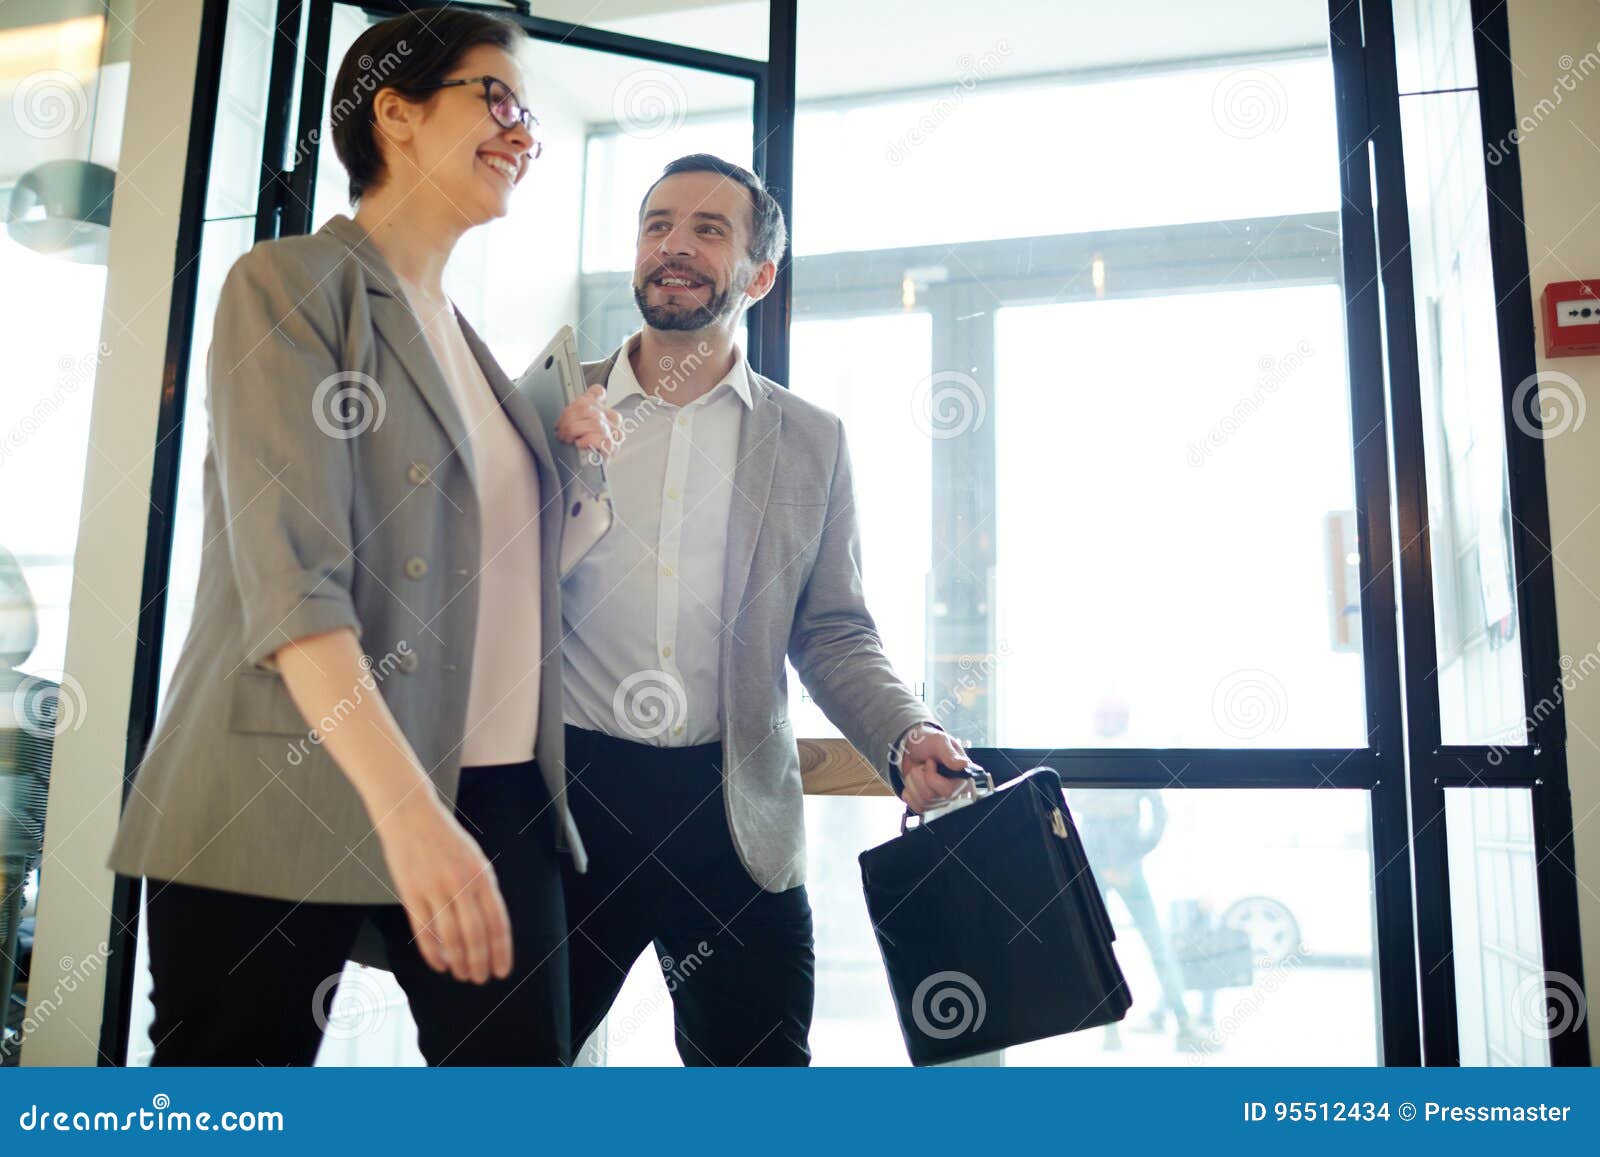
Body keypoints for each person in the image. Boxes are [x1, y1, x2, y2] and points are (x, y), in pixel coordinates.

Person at [106, 9, 614, 1066]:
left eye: (531, 119)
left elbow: (505, 586)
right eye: (500, 100)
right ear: (395, 110)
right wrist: (409, 809)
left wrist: (572, 464)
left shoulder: (478, 355)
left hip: (498, 790)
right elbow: (294, 576)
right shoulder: (290, 286)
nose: (524, 134)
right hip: (278, 784)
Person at [553, 154, 973, 1066]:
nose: (676, 246)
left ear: (760, 272)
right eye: (659, 224)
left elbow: (833, 629)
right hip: (565, 807)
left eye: (710, 230)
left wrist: (905, 735)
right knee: (495, 1079)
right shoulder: (548, 403)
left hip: (730, 813)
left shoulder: (810, 440)